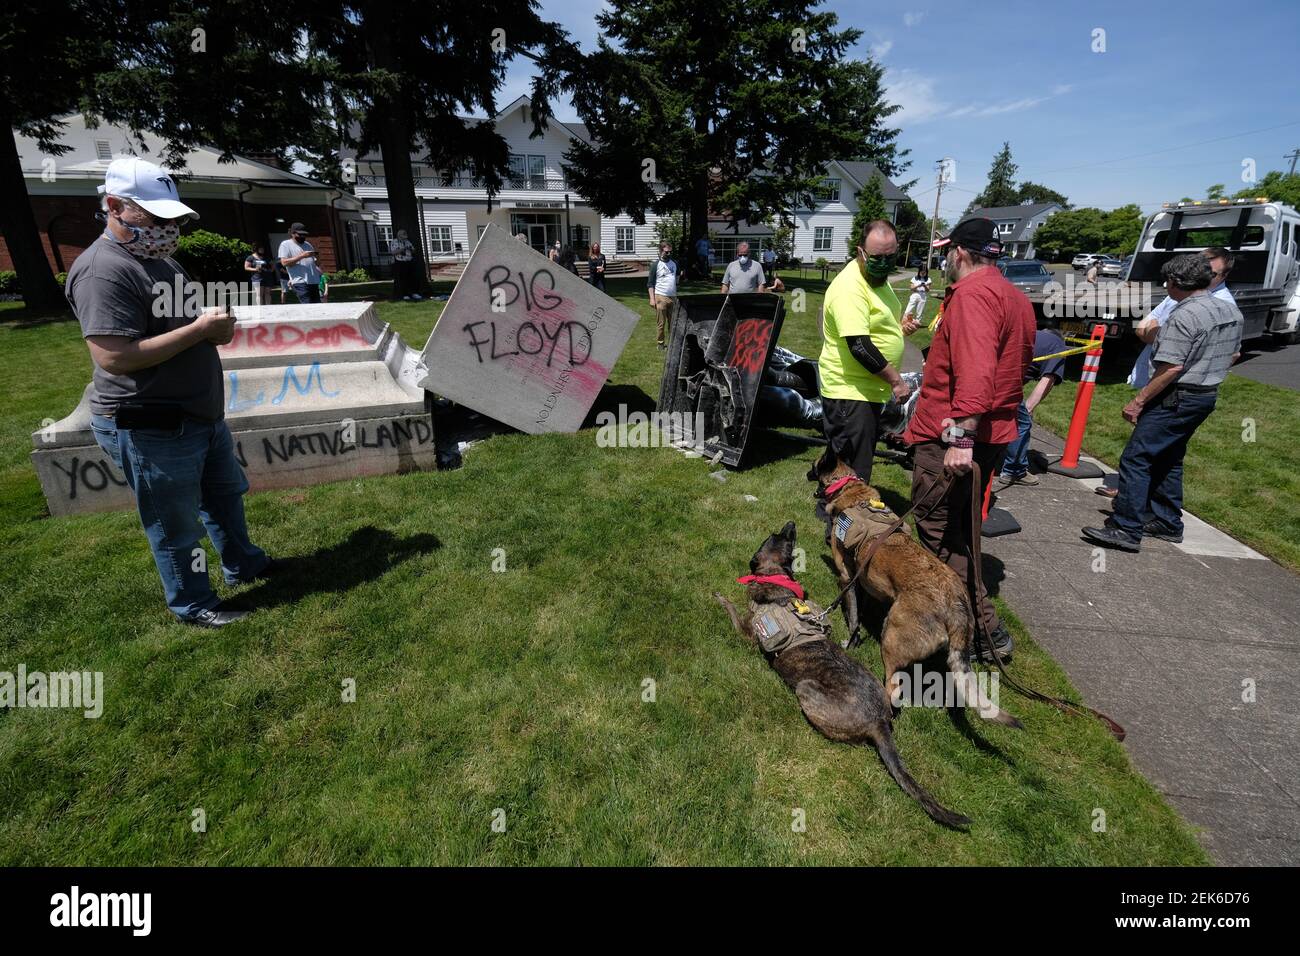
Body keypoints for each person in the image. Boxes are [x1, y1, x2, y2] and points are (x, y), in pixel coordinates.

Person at [67, 157, 269, 628]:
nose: (166, 227)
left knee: (223, 498)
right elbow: (115, 356)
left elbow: (179, 326)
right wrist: (200, 331)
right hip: (152, 424)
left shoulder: (159, 259)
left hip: (197, 415)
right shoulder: (102, 271)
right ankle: (193, 602)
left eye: (171, 218)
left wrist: (211, 332)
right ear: (115, 206)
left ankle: (245, 565)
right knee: (175, 524)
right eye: (154, 217)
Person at [904, 217, 1036, 662]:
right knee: (962, 527)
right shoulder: (1014, 297)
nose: (943, 259)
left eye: (946, 251)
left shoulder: (973, 297)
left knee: (938, 531)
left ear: (959, 252)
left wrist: (960, 437)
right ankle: (964, 621)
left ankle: (980, 630)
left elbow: (978, 372)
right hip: (990, 432)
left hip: (955, 435)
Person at [1083, 254, 1243, 552]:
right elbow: (1234, 354)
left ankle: (1126, 527)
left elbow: (1171, 367)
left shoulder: (1184, 315)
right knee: (1169, 458)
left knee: (1136, 458)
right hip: (1204, 396)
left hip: (1177, 397)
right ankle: (1167, 521)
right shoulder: (1229, 311)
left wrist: (1139, 401)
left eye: (1167, 281)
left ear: (1177, 283)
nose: (1166, 286)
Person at [816, 219, 911, 485]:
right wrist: (896, 380)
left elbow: (877, 325)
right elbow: (859, 345)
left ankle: (838, 518)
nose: (883, 262)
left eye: (890, 256)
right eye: (877, 257)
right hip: (849, 393)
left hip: (865, 391)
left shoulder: (878, 279)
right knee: (852, 476)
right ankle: (843, 524)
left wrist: (900, 329)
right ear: (861, 252)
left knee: (843, 465)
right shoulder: (850, 287)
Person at [994, 328, 1067, 489]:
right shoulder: (1058, 347)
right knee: (1022, 422)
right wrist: (1029, 407)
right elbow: (1048, 379)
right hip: (1004, 381)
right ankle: (1015, 470)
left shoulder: (1033, 334)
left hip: (989, 371)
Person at [278, 222, 322, 304]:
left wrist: (317, 257)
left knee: (317, 306)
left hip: (313, 281)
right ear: (293, 233)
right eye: (300, 234)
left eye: (304, 235)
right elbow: (284, 262)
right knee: (307, 305)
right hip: (300, 281)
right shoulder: (285, 244)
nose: (303, 237)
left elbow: (316, 263)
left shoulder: (307, 244)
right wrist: (302, 256)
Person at [647, 241, 678, 349]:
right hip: (660, 296)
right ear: (661, 251)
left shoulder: (674, 264)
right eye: (666, 252)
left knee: (673, 323)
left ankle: (673, 344)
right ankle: (660, 344)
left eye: (670, 252)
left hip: (673, 297)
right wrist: (652, 299)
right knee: (661, 323)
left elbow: (675, 278)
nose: (669, 254)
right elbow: (650, 283)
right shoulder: (656, 265)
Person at [389, 228, 421, 301]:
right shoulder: (394, 242)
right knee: (403, 279)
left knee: (412, 278)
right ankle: (405, 294)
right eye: (404, 234)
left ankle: (414, 293)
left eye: (405, 233)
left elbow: (414, 250)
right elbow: (393, 252)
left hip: (409, 261)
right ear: (399, 235)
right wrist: (403, 249)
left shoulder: (407, 241)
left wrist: (411, 249)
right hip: (400, 262)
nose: (405, 235)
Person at [901, 265, 931, 334]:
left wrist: (925, 285)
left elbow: (928, 290)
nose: (923, 274)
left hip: (923, 295)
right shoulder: (914, 278)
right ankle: (904, 321)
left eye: (924, 272)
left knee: (919, 311)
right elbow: (911, 288)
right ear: (919, 271)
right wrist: (918, 285)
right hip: (915, 294)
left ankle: (916, 324)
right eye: (922, 272)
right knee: (909, 308)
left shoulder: (928, 279)